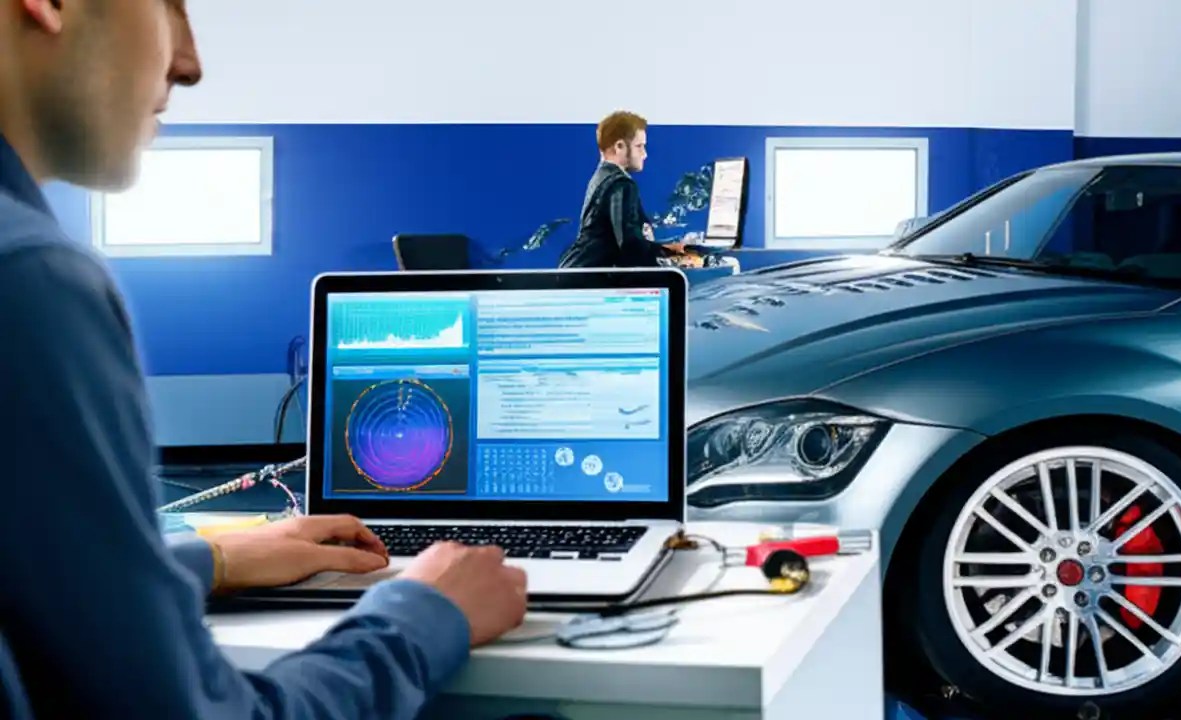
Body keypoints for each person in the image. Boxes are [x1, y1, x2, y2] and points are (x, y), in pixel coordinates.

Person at [0, 2, 527, 718]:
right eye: (170, 6)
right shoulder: (30, 278)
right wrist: (424, 615)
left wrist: (214, 560)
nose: (189, 62)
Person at [558, 110, 698, 268]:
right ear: (619, 146)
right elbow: (630, 246)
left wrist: (664, 250)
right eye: (639, 146)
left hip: (575, 272)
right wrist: (671, 254)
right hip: (589, 281)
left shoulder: (602, 177)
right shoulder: (621, 184)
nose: (644, 154)